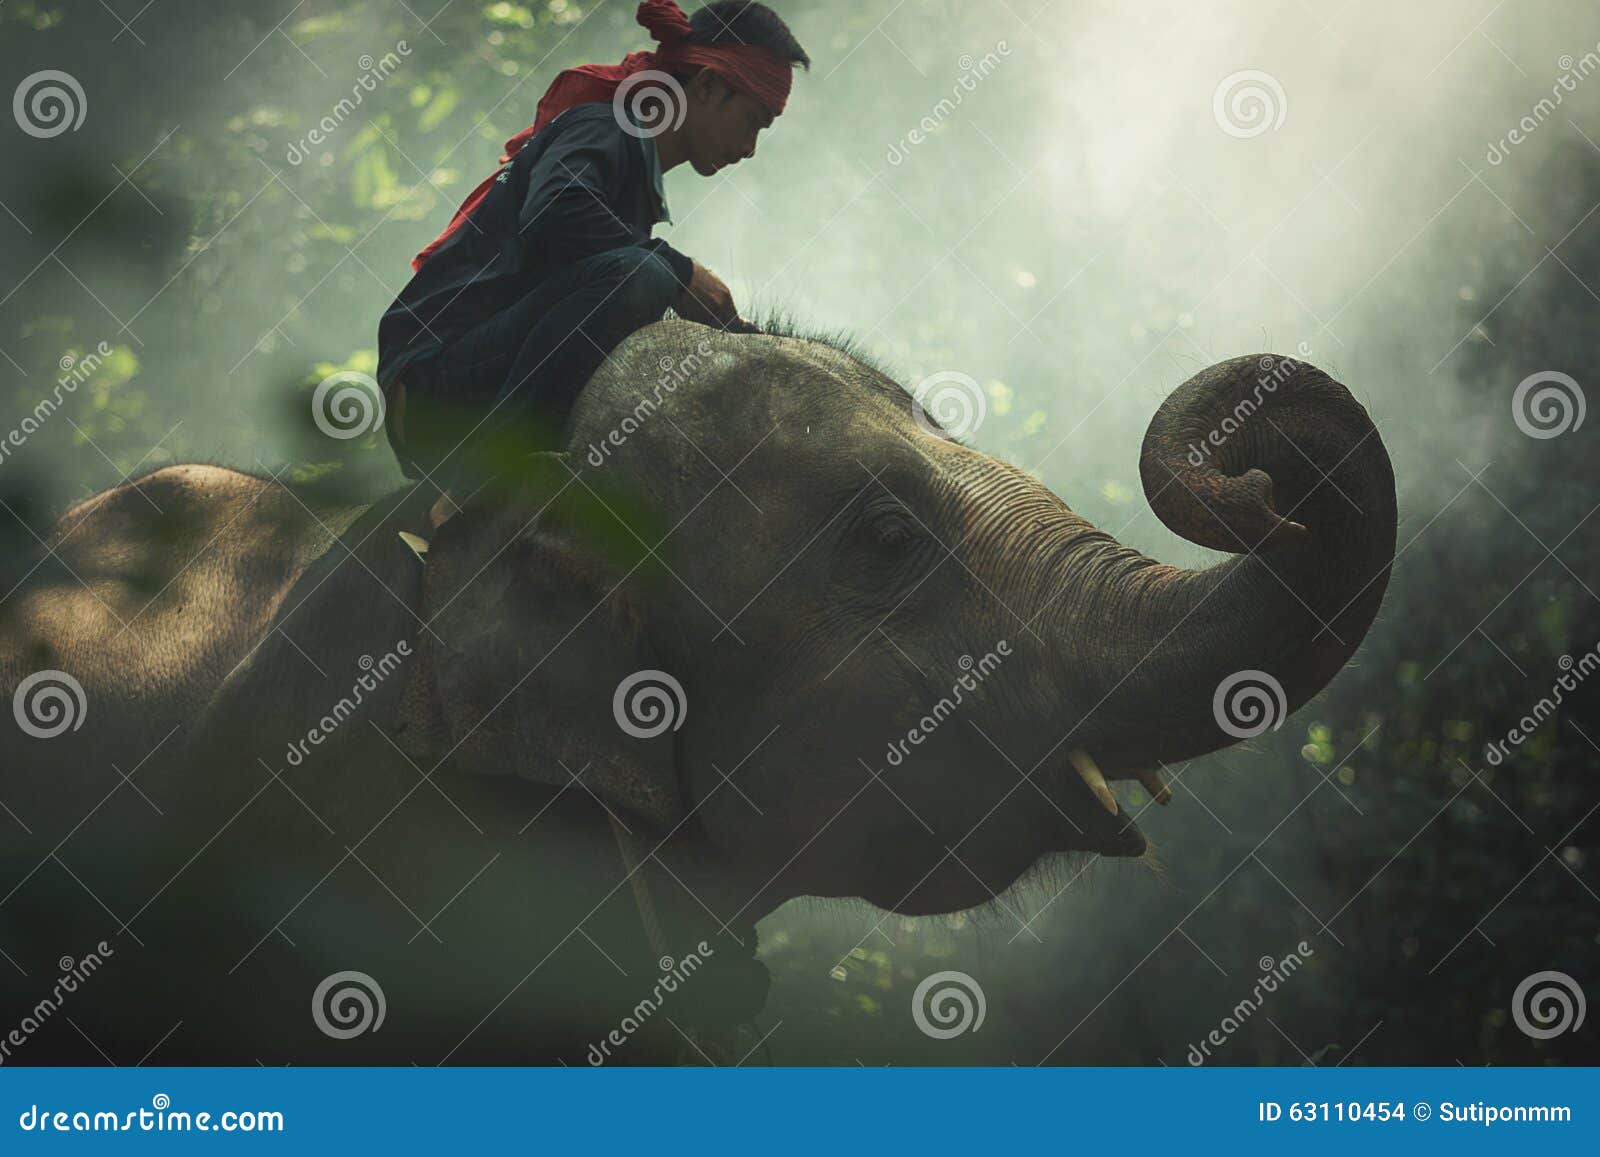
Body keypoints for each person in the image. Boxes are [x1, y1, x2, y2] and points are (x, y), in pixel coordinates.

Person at [376, 0, 809, 489]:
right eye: (753, 121)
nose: (750, 147)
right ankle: (487, 489)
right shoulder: (601, 126)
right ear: (708, 86)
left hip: (477, 368)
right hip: (437, 381)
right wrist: (678, 271)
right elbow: (554, 213)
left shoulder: (632, 173)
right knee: (639, 278)